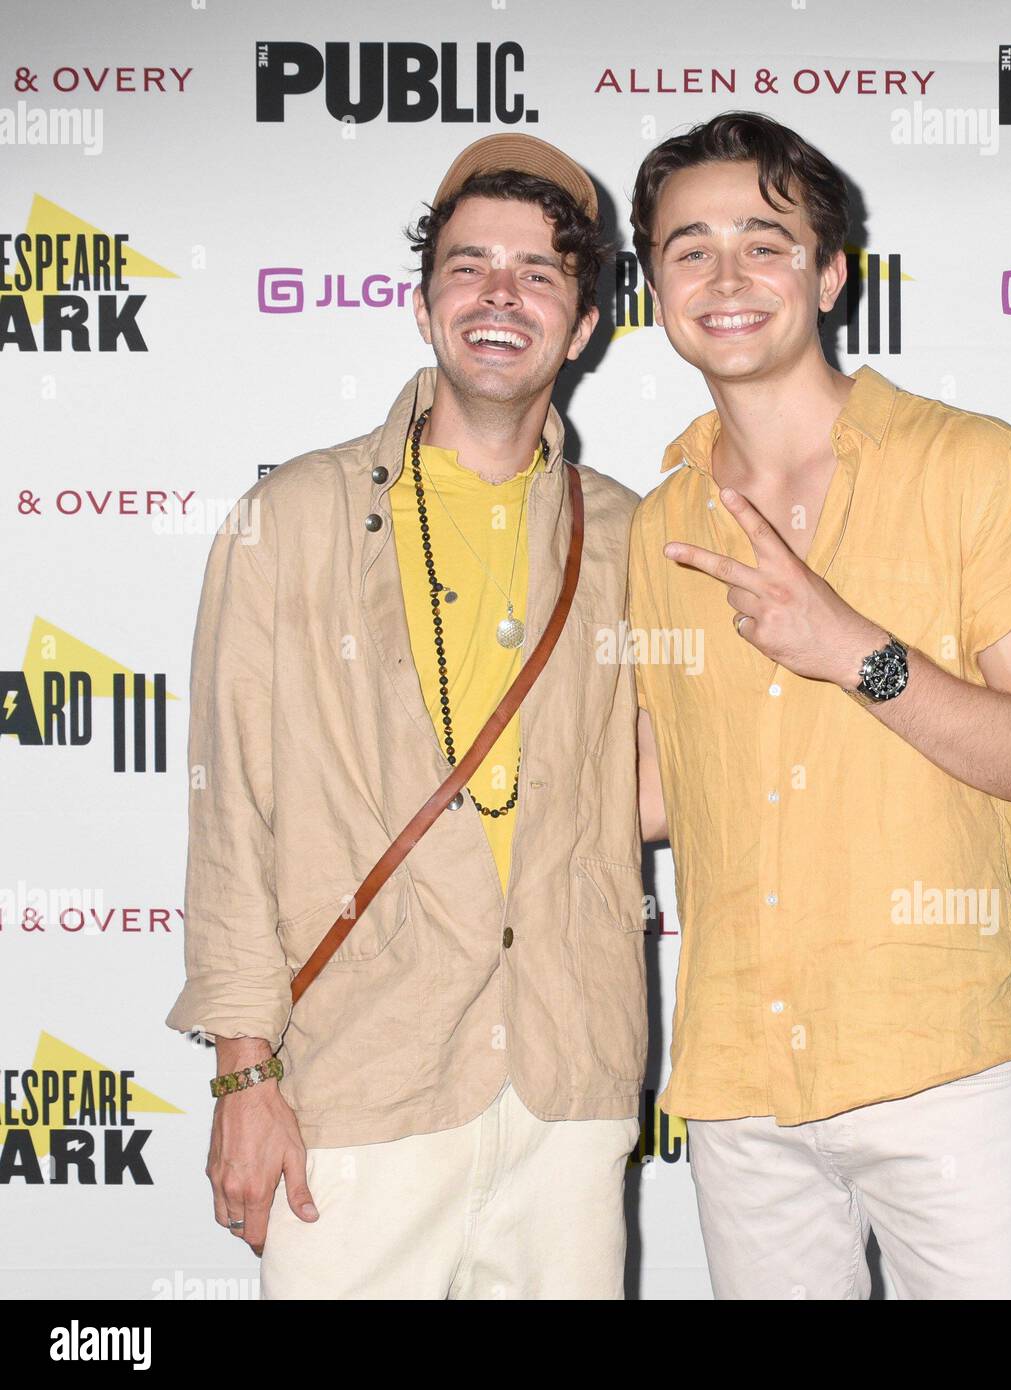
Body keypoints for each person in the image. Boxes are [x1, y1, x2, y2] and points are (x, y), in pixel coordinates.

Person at [165, 134, 649, 1300]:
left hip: (566, 1092)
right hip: (359, 1089)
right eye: (470, 265)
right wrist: (243, 1077)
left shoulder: (630, 533)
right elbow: (234, 813)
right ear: (422, 302)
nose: (501, 296)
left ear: (582, 325)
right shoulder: (290, 519)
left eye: (539, 273)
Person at [627, 111, 1011, 1299]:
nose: (725, 277)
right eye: (689, 248)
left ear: (830, 273)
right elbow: (655, 794)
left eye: (764, 242)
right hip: (739, 1075)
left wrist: (856, 651)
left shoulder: (973, 464)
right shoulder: (657, 523)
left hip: (941, 1061)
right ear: (652, 289)